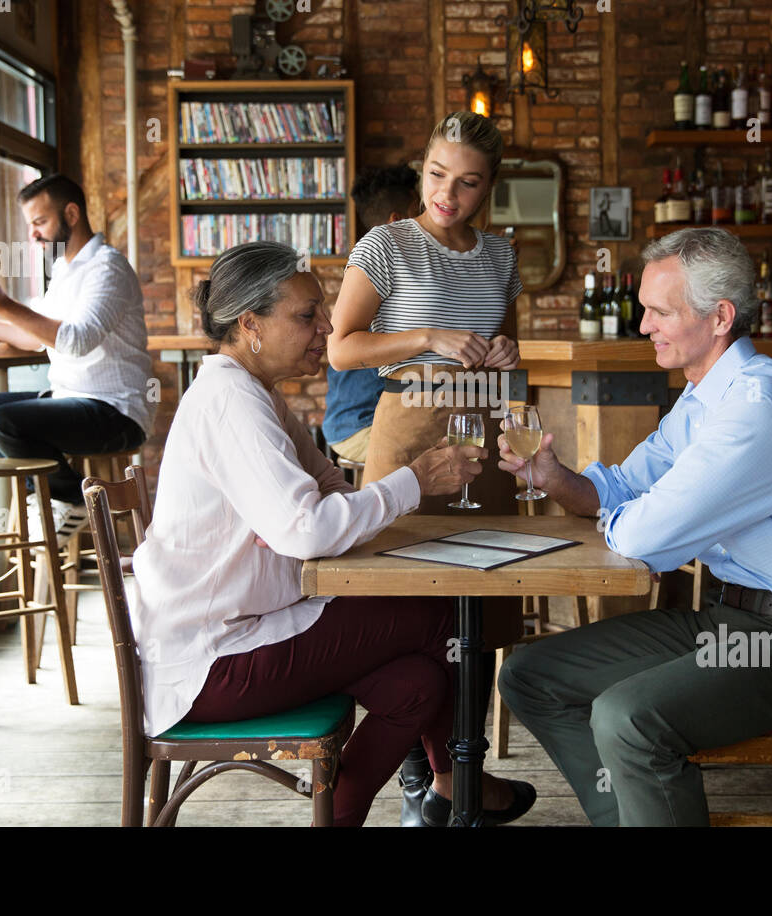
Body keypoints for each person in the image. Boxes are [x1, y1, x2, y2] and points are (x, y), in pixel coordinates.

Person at [130, 241, 535, 827]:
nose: (326, 327)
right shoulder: (229, 403)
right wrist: (413, 481)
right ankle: (456, 785)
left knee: (416, 685)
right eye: (306, 315)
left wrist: (352, 507)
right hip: (210, 661)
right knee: (441, 615)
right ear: (250, 325)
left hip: (247, 624)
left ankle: (351, 811)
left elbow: (328, 494)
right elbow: (307, 530)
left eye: (321, 312)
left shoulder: (256, 394)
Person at [496, 227, 772, 827]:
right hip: (731, 620)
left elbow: (647, 538)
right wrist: (554, 477)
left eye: (658, 311)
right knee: (531, 675)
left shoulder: (758, 407)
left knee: (628, 718)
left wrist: (634, 516)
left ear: (719, 317)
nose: (643, 326)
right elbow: (622, 488)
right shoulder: (700, 403)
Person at [327, 110, 527, 825]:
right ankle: (426, 778)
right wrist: (428, 336)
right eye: (439, 175)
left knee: (480, 611)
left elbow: (509, 355)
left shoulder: (500, 257)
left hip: (482, 432)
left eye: (468, 183)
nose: (449, 193)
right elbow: (341, 348)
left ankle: (458, 779)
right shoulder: (386, 245)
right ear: (423, 169)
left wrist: (505, 360)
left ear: (490, 188)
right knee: (407, 610)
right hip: (408, 432)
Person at [0, 173, 154, 523]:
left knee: (4, 423)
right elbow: (36, 337)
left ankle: (70, 498)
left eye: (40, 221)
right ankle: (52, 490)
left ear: (71, 214)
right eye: (30, 224)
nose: (33, 234)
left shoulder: (107, 268)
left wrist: (5, 306)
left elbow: (74, 341)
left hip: (116, 410)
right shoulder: (62, 270)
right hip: (68, 399)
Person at [322, 165, 422, 466]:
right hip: (362, 426)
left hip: (348, 422)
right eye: (420, 211)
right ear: (398, 221)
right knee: (463, 447)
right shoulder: (382, 275)